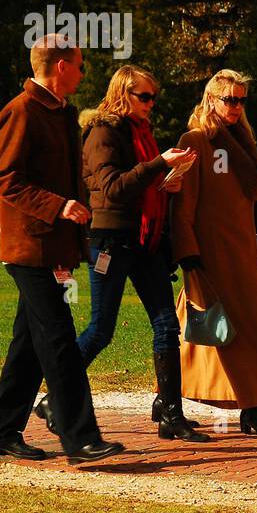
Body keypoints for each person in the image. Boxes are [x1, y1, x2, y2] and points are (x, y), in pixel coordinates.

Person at [33, 65, 206, 442]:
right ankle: (54, 398)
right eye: (143, 96)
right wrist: (160, 164)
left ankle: (170, 413)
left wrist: (167, 182)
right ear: (122, 93)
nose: (150, 104)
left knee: (166, 324)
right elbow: (112, 189)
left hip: (144, 241)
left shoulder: (140, 132)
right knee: (101, 329)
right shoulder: (103, 132)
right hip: (110, 241)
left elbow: (140, 182)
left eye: (153, 97)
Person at [0, 33, 123, 464]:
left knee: (28, 345)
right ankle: (80, 439)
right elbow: (3, 178)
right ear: (60, 66)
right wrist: (58, 206)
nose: (82, 71)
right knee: (59, 340)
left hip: (55, 249)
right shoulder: (20, 112)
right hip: (30, 250)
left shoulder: (62, 114)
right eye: (78, 64)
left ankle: (1, 433)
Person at [170, 69, 257, 435]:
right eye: (230, 99)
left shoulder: (243, 143)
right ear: (211, 99)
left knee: (215, 327)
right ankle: (252, 408)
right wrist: (188, 254)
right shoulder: (194, 141)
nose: (236, 106)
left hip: (242, 247)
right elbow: (182, 207)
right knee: (218, 327)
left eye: (241, 99)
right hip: (211, 251)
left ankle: (171, 399)